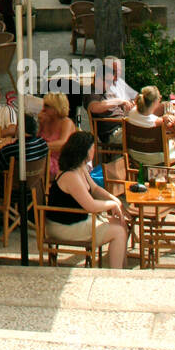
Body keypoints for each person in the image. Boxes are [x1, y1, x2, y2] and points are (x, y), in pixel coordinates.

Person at [44, 130, 130, 268]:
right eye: (93, 148)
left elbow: (95, 189)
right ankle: (116, 274)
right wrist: (112, 205)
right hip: (64, 227)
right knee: (118, 232)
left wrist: (113, 198)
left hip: (77, 220)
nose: (94, 150)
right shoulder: (70, 176)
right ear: (85, 151)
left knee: (121, 224)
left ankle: (123, 268)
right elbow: (91, 206)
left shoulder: (80, 168)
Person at [87, 56, 137, 178]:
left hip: (124, 125)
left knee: (148, 131)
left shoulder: (106, 91)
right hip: (113, 133)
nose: (110, 84)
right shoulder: (92, 92)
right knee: (143, 136)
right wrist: (119, 101)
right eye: (108, 81)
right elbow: (95, 107)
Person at [125, 86, 175, 167]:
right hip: (156, 158)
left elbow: (145, 117)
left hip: (134, 154)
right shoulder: (157, 122)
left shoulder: (131, 112)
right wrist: (173, 120)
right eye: (159, 97)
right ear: (155, 102)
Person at [38, 92, 76, 181]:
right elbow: (35, 138)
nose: (43, 109)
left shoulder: (66, 122)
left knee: (34, 166)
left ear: (56, 108)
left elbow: (62, 144)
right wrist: (38, 122)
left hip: (61, 163)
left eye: (47, 106)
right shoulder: (45, 121)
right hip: (44, 159)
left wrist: (40, 147)